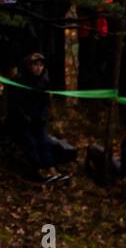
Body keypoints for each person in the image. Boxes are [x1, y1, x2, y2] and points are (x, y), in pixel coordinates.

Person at [3, 51, 75, 182]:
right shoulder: (18, 80)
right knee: (30, 142)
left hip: (37, 120)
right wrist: (25, 117)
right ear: (28, 66)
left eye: (41, 65)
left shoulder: (44, 81)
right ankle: (39, 170)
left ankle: (51, 168)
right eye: (35, 65)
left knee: (45, 142)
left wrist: (42, 117)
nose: (38, 68)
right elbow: (14, 104)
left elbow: (45, 103)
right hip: (20, 122)